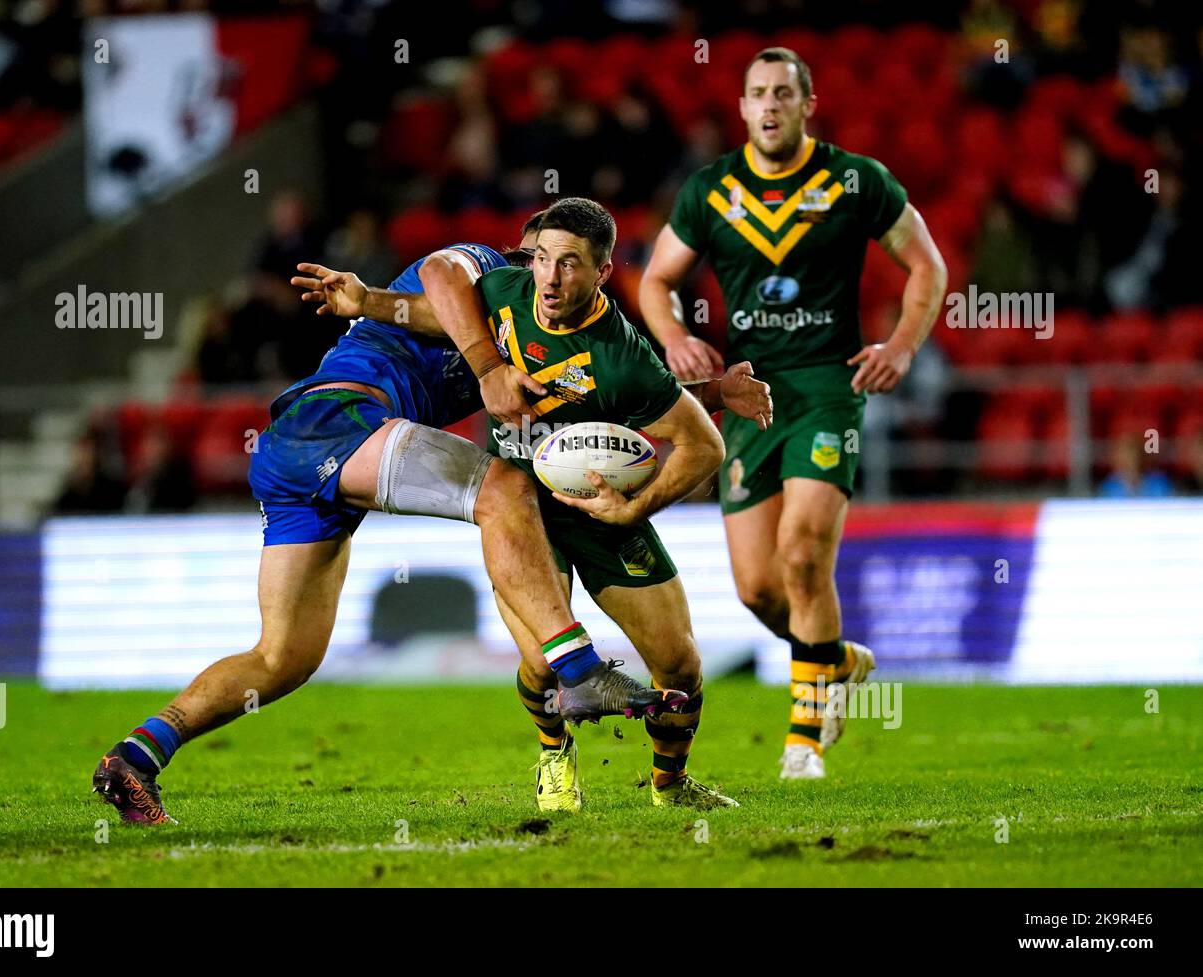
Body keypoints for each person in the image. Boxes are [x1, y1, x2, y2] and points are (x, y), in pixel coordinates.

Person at [91, 240, 681, 826]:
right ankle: (579, 671)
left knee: (281, 658)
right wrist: (486, 365)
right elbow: (439, 271)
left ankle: (136, 757)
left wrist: (707, 393)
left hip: (298, 450)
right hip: (340, 417)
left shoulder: (531, 338)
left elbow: (615, 390)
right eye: (543, 264)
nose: (549, 285)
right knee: (503, 491)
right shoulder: (490, 275)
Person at [307, 200, 774, 811]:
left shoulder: (621, 354)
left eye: (571, 264)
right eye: (543, 259)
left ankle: (670, 784)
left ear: (604, 272)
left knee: (680, 667)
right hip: (520, 509)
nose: (550, 279)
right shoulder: (505, 292)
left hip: (602, 512)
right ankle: (554, 753)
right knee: (543, 662)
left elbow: (700, 446)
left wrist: (635, 509)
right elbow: (433, 313)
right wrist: (365, 300)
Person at [638, 48, 948, 779]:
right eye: (756, 94)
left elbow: (927, 265)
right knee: (757, 588)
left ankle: (803, 743)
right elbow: (656, 281)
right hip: (747, 394)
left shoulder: (854, 180)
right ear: (741, 109)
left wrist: (902, 346)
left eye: (783, 92)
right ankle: (832, 656)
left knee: (805, 554)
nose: (770, 104)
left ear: (809, 104)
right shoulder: (711, 190)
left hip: (827, 387)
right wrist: (677, 336)